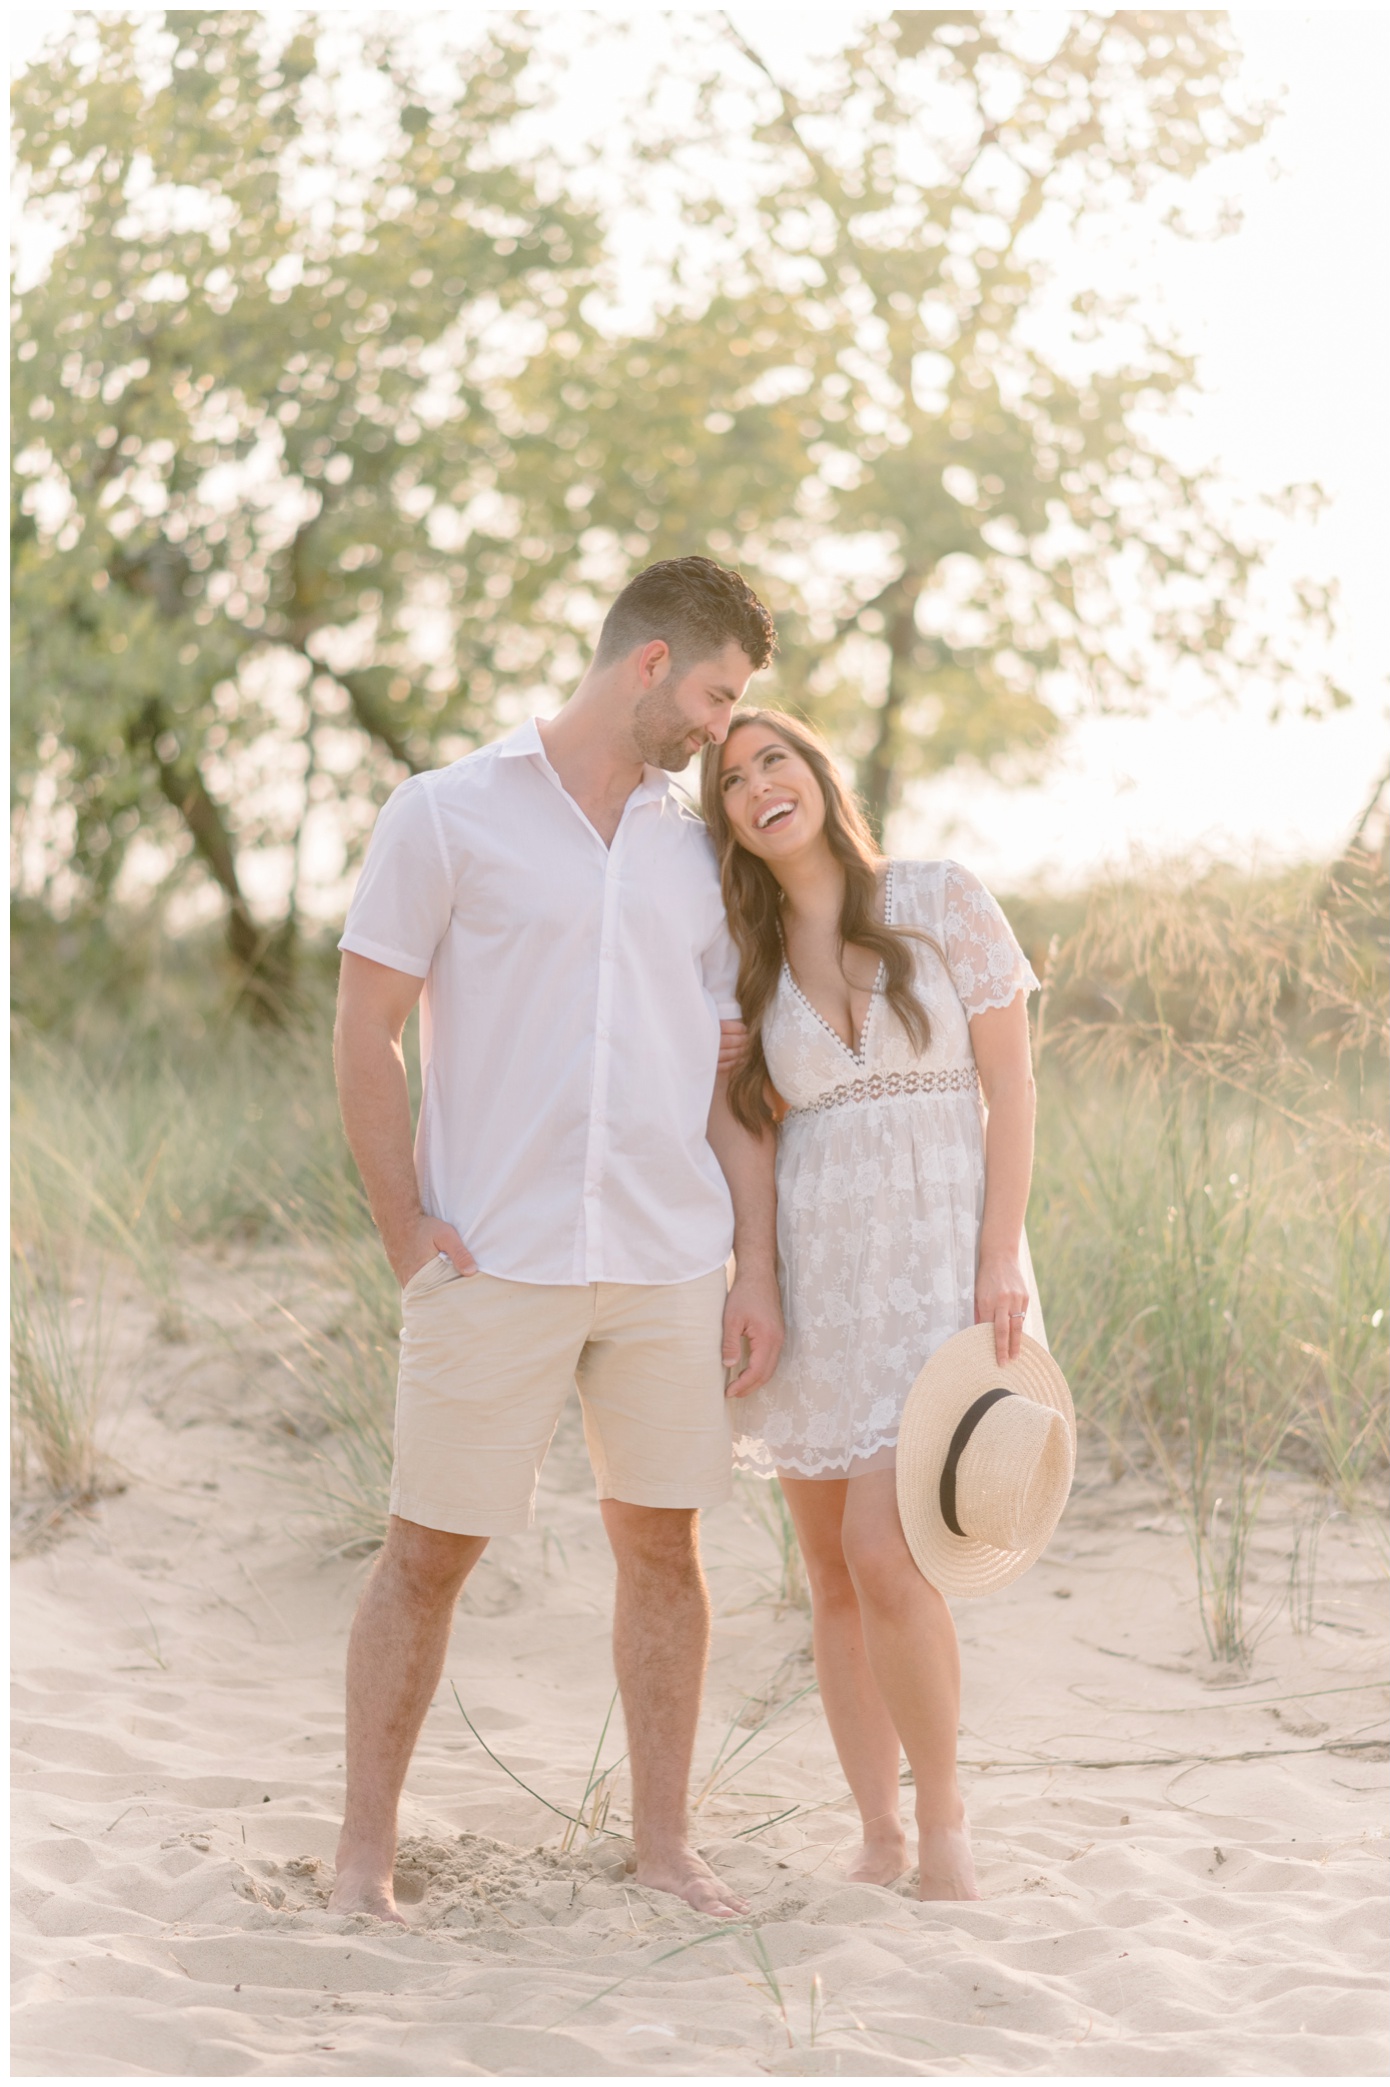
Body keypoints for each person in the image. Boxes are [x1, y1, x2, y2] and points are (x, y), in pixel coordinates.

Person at [330, 558, 784, 1924]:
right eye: (717, 692)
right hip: (493, 1255)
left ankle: (661, 1841)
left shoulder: (696, 851)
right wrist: (407, 1224)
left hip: (662, 1257)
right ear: (650, 664)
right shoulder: (446, 814)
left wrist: (750, 1261)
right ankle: (363, 1850)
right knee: (426, 1552)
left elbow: (723, 1073)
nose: (722, 725)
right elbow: (366, 1030)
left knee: (666, 1550)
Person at [700, 709, 1044, 1902]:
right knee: (830, 1572)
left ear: (814, 772)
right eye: (731, 780)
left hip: (942, 1265)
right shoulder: (738, 954)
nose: (755, 786)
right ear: (727, 821)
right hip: (817, 1274)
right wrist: (754, 1274)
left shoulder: (939, 897)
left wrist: (998, 1254)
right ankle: (876, 1831)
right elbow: (742, 1126)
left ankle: (942, 1820)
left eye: (772, 759)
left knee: (881, 1550)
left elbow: (1009, 1081)